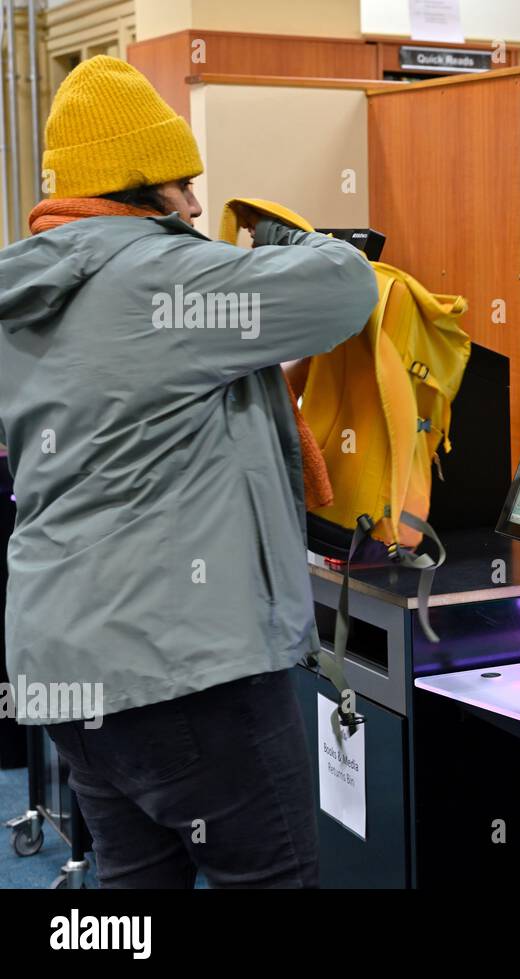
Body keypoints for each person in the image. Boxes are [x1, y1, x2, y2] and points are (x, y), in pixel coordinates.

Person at [0, 57, 378, 887]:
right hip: (185, 669)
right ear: (138, 189)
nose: (200, 206)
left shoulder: (25, 289)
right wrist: (287, 240)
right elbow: (347, 289)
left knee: (134, 892)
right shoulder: (159, 278)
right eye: (182, 183)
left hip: (67, 668)